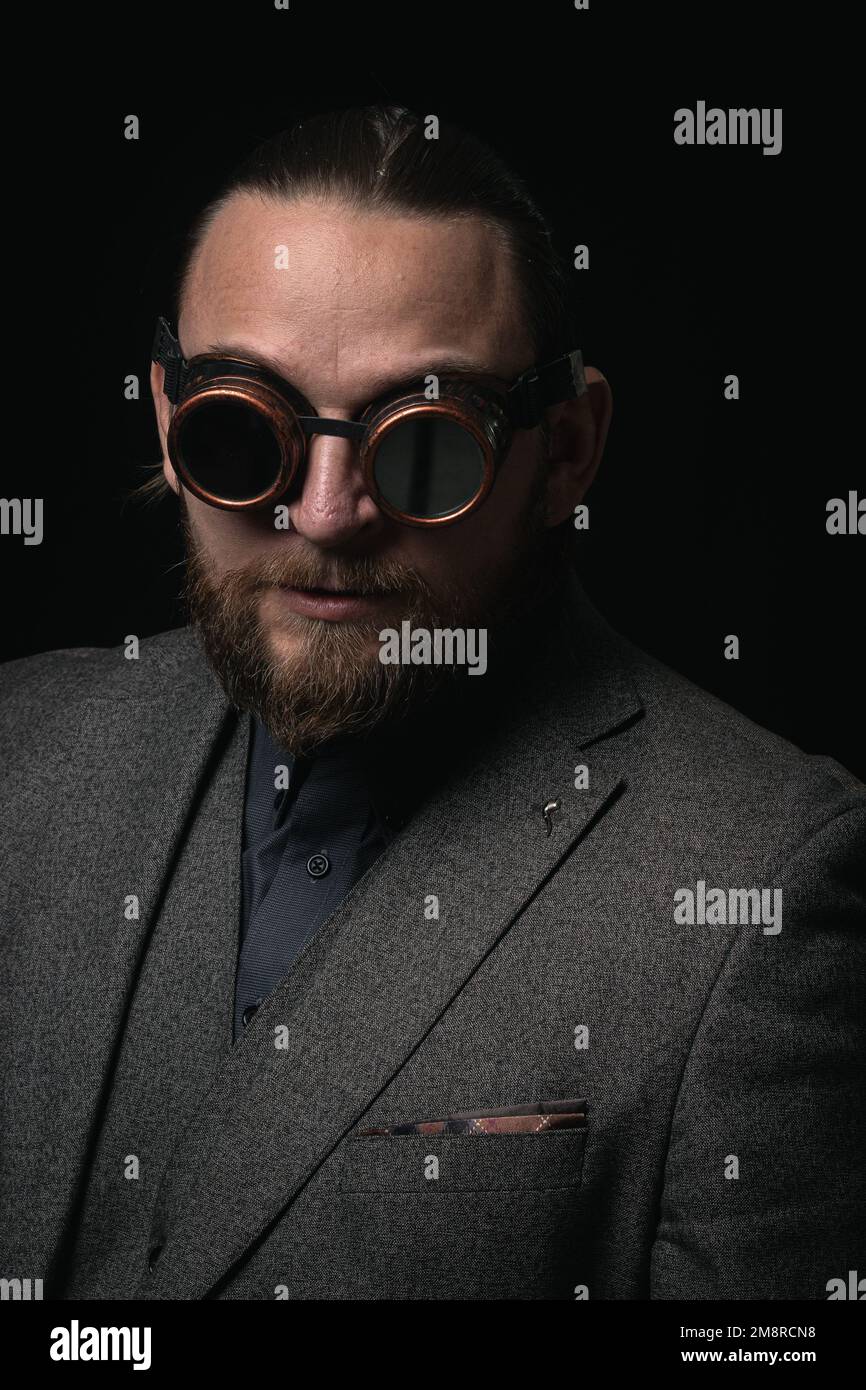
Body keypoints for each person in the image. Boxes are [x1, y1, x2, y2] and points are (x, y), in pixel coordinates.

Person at [1, 105, 863, 1301]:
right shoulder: (18, 749)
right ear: (163, 414)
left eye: (426, 441)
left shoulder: (761, 877)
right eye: (240, 432)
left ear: (563, 452)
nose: (325, 511)